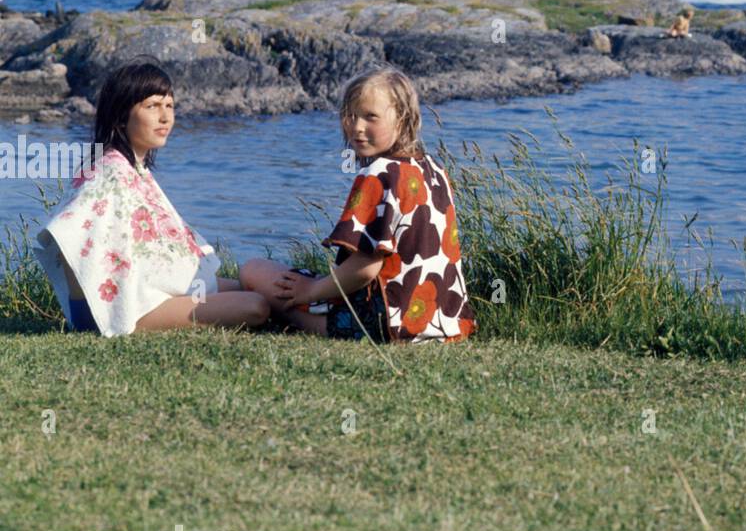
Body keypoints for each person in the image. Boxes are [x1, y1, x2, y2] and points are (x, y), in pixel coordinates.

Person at [35, 57, 271, 335]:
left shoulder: (132, 167)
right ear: (121, 116)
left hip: (140, 295)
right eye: (152, 106)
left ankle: (322, 311)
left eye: (169, 105)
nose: (165, 117)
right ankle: (323, 317)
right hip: (118, 310)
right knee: (255, 305)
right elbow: (66, 232)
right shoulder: (110, 173)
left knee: (257, 284)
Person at [241, 67, 476, 344]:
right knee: (258, 281)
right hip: (444, 324)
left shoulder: (379, 173)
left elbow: (366, 266)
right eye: (350, 115)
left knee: (253, 270)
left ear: (402, 119)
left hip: (381, 325)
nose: (357, 127)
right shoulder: (433, 168)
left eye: (370, 117)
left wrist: (311, 290)